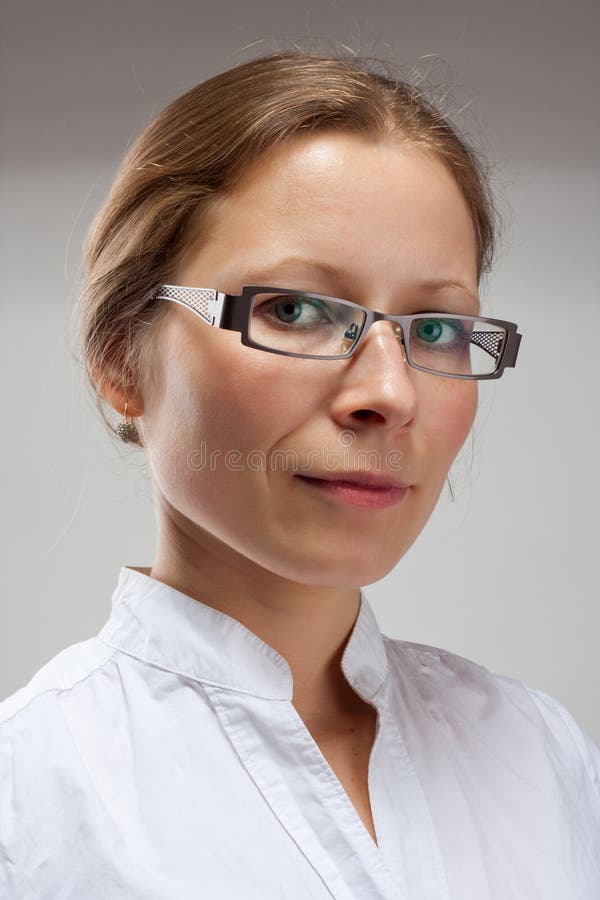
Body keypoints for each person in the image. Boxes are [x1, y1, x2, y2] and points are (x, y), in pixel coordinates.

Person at [1, 48, 598, 900]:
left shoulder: (541, 757)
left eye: (434, 331)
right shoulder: (28, 807)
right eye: (293, 310)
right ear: (118, 359)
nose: (390, 396)